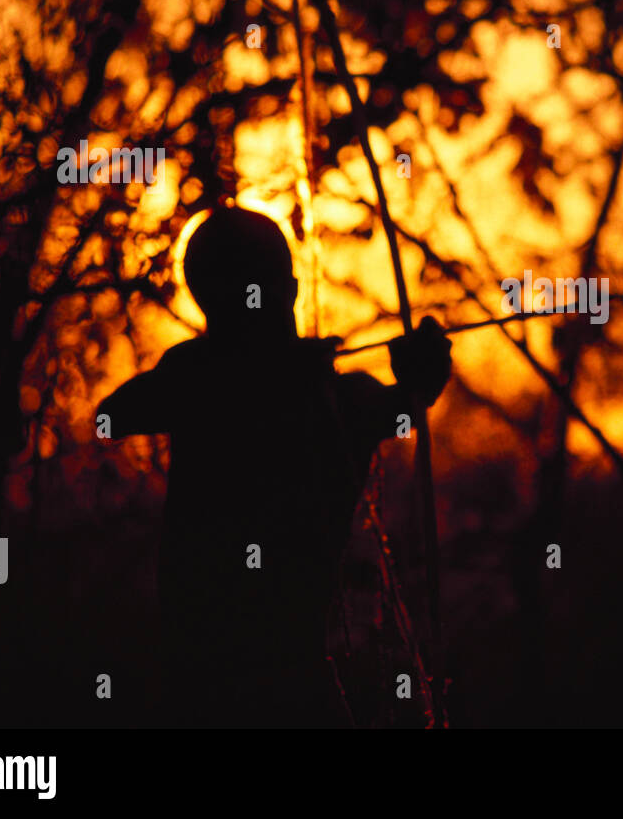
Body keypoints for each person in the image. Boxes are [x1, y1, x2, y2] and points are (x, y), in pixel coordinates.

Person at [97, 206, 451, 727]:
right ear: (288, 289)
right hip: (262, 686)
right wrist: (420, 380)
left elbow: (404, 408)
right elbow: (112, 417)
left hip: (213, 686)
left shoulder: (282, 391)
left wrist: (419, 381)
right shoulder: (238, 386)